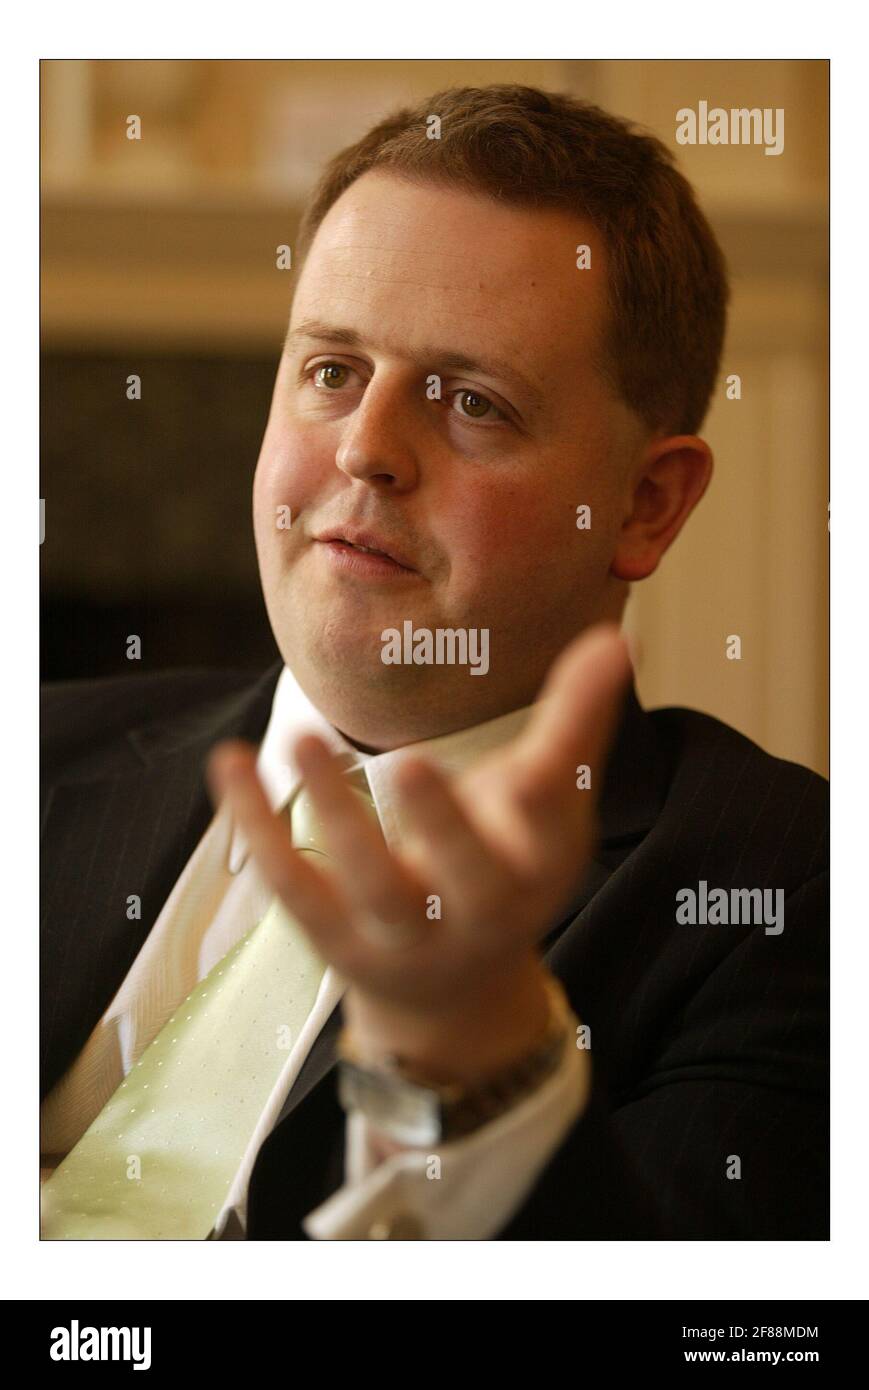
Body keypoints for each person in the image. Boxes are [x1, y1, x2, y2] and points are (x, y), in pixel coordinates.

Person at [40, 84, 828, 1240]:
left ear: (645, 506)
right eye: (331, 370)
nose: (365, 448)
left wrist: (486, 1065)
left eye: (471, 402)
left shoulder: (788, 894)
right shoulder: (41, 751)